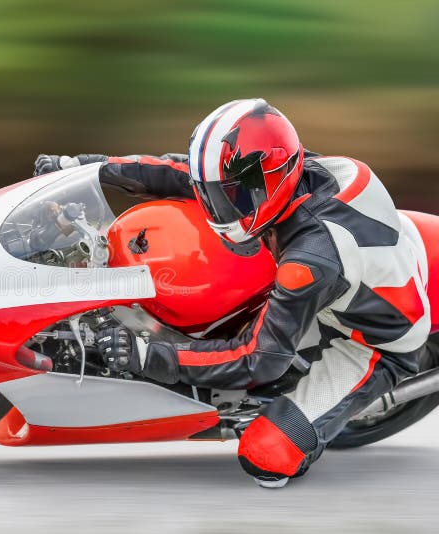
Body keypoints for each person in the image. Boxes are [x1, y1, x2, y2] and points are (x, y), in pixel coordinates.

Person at [33, 98, 431, 488]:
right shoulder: (284, 169)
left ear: (269, 181)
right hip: (365, 262)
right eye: (213, 192)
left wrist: (147, 356)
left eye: (231, 195)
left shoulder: (311, 259)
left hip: (367, 340)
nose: (217, 205)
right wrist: (85, 170)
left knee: (267, 455)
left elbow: (259, 360)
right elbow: (178, 170)